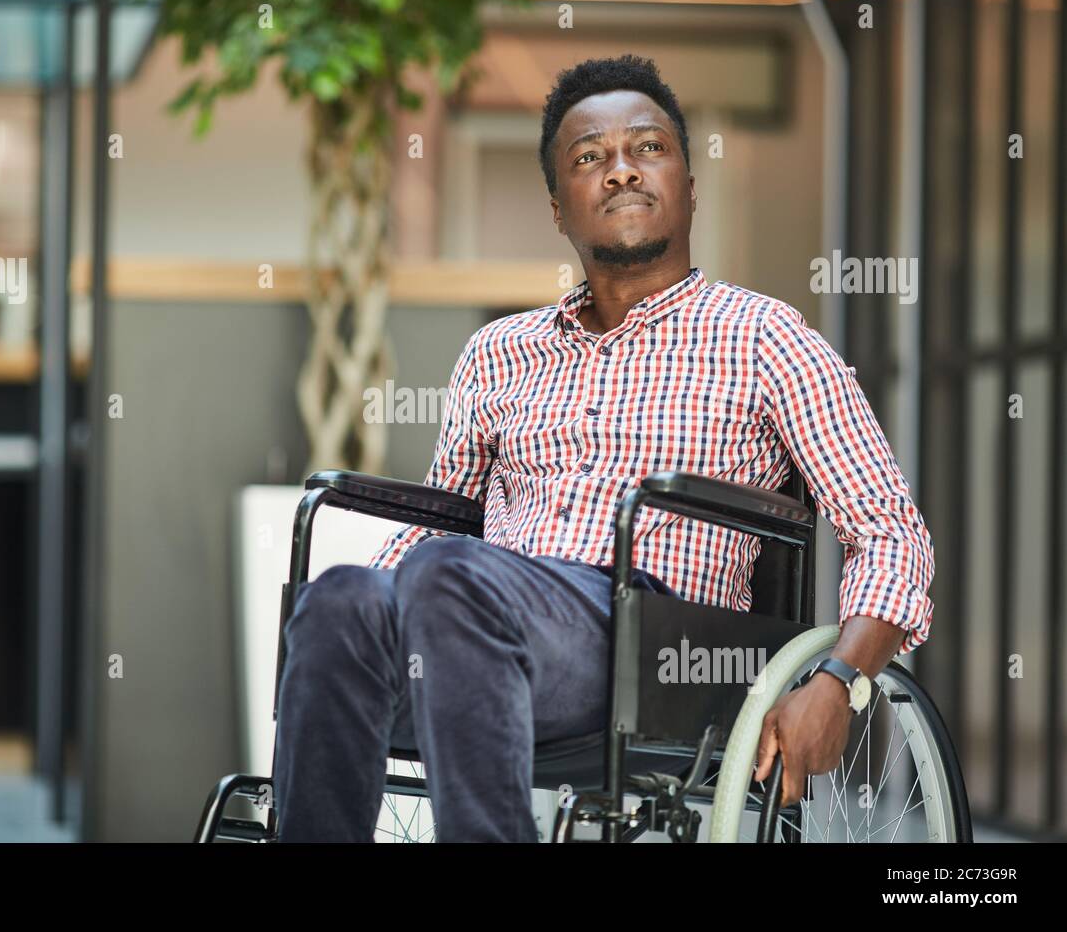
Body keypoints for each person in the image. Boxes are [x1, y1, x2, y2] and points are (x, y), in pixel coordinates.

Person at [272, 54, 935, 842]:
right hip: (477, 622)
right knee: (337, 602)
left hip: (657, 646)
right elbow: (442, 525)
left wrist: (837, 680)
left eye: (647, 148)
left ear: (690, 185)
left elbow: (894, 536)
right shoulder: (499, 351)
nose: (620, 171)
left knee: (449, 578)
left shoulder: (767, 338)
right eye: (590, 159)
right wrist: (371, 609)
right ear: (559, 209)